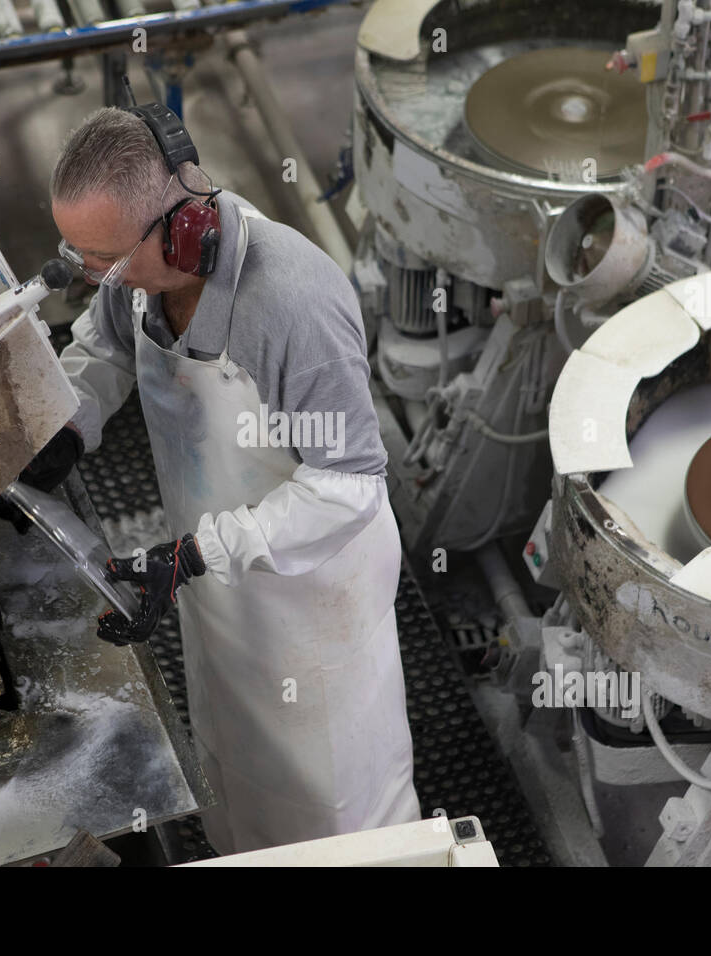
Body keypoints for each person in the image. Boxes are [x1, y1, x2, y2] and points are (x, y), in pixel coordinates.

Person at [47, 104, 421, 854]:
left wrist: (194, 554)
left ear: (182, 229)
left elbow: (348, 485)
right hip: (216, 577)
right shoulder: (137, 276)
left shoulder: (291, 306)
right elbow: (102, 347)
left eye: (106, 261)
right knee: (234, 766)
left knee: (332, 808)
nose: (97, 280)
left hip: (310, 601)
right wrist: (62, 427)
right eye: (81, 258)